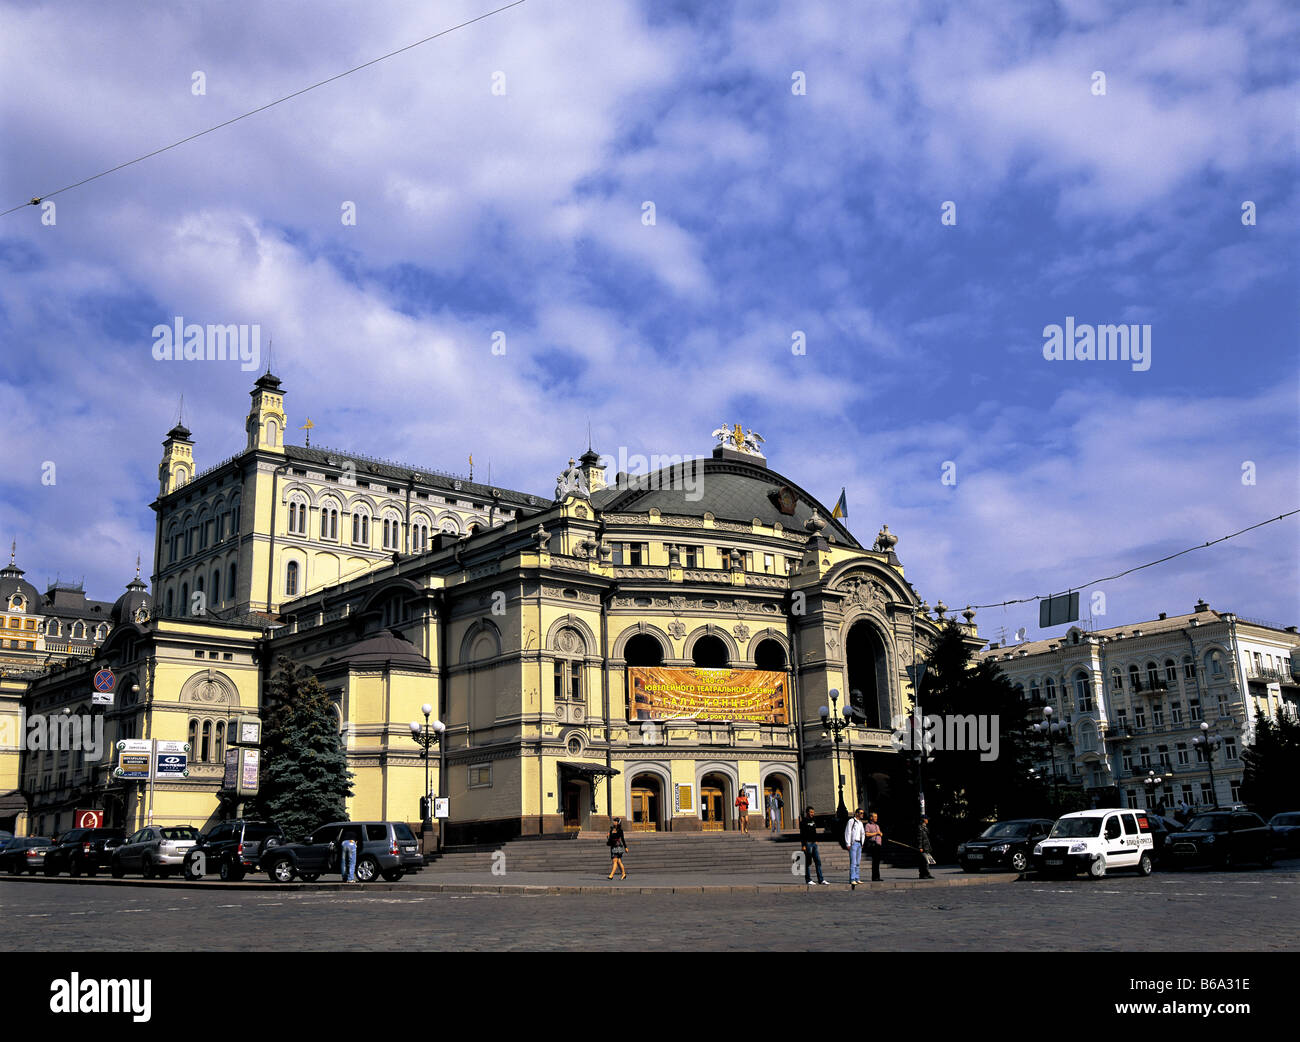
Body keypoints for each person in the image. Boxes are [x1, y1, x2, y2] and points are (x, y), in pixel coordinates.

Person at [799, 806, 828, 885]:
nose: (813, 814)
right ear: (807, 813)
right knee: (808, 862)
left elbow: (814, 831)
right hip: (807, 843)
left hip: (814, 843)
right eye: (811, 812)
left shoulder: (813, 820)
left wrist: (816, 841)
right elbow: (802, 834)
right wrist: (803, 845)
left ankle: (821, 879)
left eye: (813, 812)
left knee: (818, 861)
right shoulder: (803, 821)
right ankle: (808, 880)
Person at [845, 808, 866, 889]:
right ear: (856, 813)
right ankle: (852, 879)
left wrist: (862, 842)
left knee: (858, 862)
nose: (862, 814)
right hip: (853, 844)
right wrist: (848, 843)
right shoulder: (851, 821)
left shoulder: (860, 823)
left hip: (859, 844)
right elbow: (848, 832)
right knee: (853, 862)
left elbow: (863, 833)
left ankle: (857, 878)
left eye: (862, 813)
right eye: (860, 813)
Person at [864, 811, 884, 882]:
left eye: (876, 817)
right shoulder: (868, 825)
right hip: (873, 845)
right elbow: (867, 834)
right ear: (871, 817)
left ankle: (877, 876)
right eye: (875, 817)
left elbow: (879, 833)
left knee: (877, 861)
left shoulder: (877, 826)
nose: (876, 818)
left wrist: (880, 834)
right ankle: (874, 877)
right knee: (875, 861)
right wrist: (876, 833)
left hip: (878, 845)